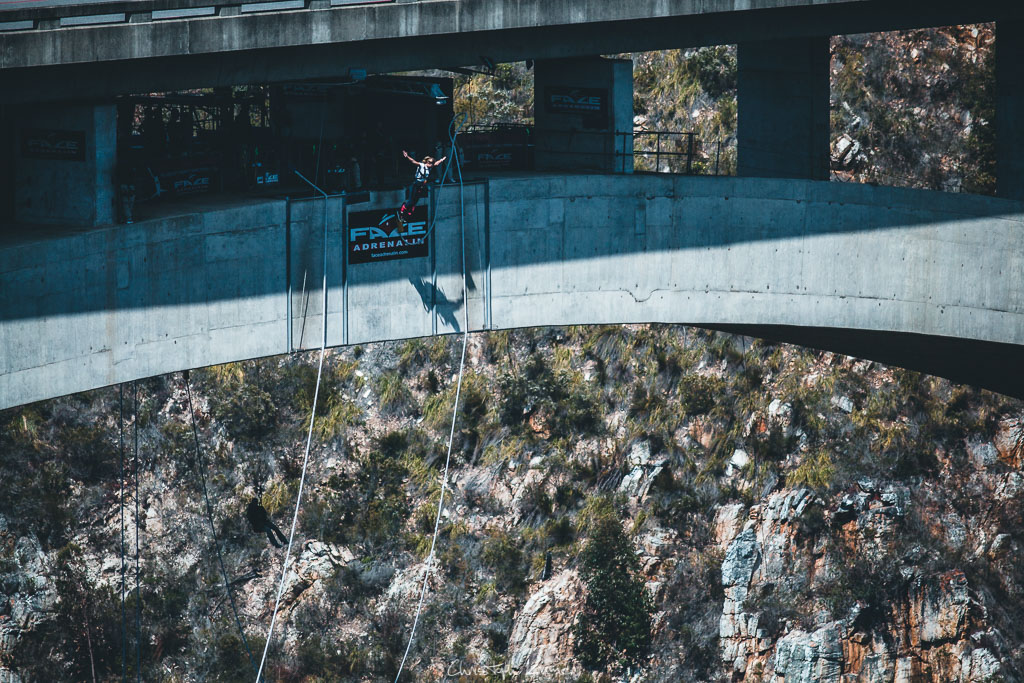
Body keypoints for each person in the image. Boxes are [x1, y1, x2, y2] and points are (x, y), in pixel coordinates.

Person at [399, 150, 446, 220]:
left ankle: (409, 212)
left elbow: (436, 163)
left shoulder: (430, 166)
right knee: (411, 200)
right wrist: (407, 156)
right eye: (431, 164)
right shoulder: (421, 165)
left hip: (421, 185)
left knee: (415, 201)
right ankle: (403, 209)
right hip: (415, 184)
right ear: (427, 162)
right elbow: (413, 161)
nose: (432, 165)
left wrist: (442, 159)